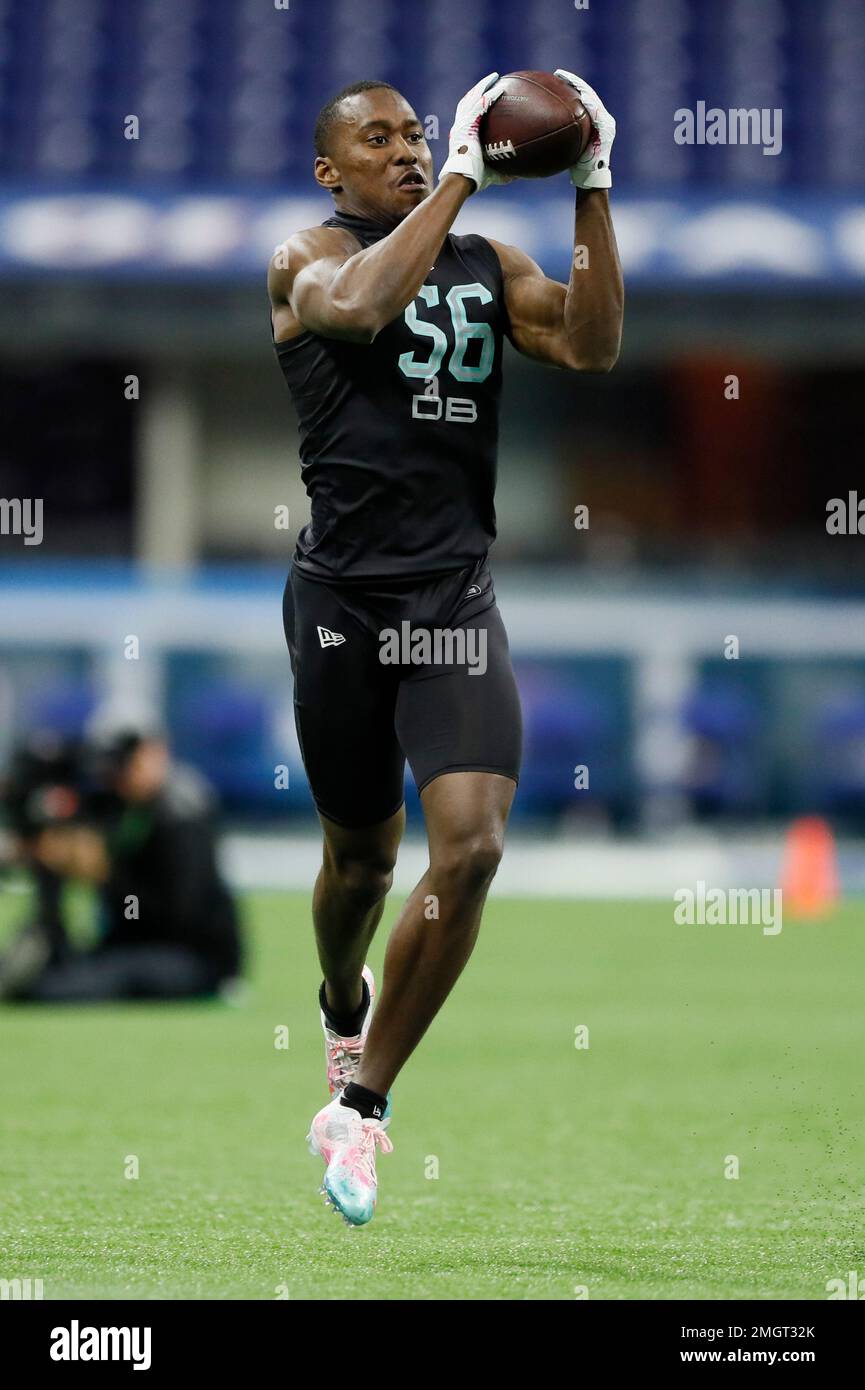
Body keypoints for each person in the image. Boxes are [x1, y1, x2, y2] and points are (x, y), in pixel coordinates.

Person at [268, 71, 623, 1224]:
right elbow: (363, 310)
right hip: (339, 606)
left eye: (419, 135)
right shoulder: (302, 255)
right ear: (332, 169)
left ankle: (361, 1108)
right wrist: (467, 176)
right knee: (362, 864)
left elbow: (589, 343)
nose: (410, 150)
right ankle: (338, 1000)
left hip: (452, 602)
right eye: (380, 140)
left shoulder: (486, 262)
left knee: (469, 850)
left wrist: (591, 186)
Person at [0, 729, 243, 1003]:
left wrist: (106, 875)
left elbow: (175, 914)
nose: (117, 777)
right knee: (69, 966)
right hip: (133, 946)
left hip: (193, 957)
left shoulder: (181, 813)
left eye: (126, 764)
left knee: (63, 986)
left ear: (156, 753)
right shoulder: (122, 807)